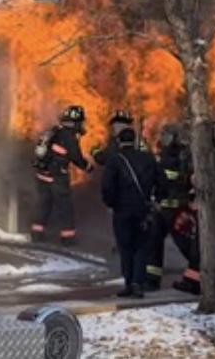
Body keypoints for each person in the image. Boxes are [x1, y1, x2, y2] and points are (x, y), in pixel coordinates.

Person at [99, 127, 167, 298]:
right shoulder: (148, 159)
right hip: (143, 210)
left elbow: (107, 186)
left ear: (119, 142)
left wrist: (111, 203)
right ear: (135, 141)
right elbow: (163, 181)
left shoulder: (115, 161)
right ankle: (138, 283)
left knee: (125, 247)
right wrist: (157, 200)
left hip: (122, 211)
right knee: (141, 247)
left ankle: (129, 283)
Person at [30, 105, 94, 246]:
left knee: (43, 206)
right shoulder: (69, 136)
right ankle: (68, 238)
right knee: (65, 208)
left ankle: (36, 234)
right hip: (58, 177)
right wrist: (89, 167)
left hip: (42, 176)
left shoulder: (53, 132)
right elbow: (76, 157)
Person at [154, 122, 201, 295]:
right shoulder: (160, 155)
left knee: (187, 244)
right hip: (162, 208)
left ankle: (200, 276)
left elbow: (188, 178)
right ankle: (151, 280)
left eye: (166, 136)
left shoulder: (184, 155)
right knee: (154, 243)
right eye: (162, 136)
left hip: (179, 208)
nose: (163, 140)